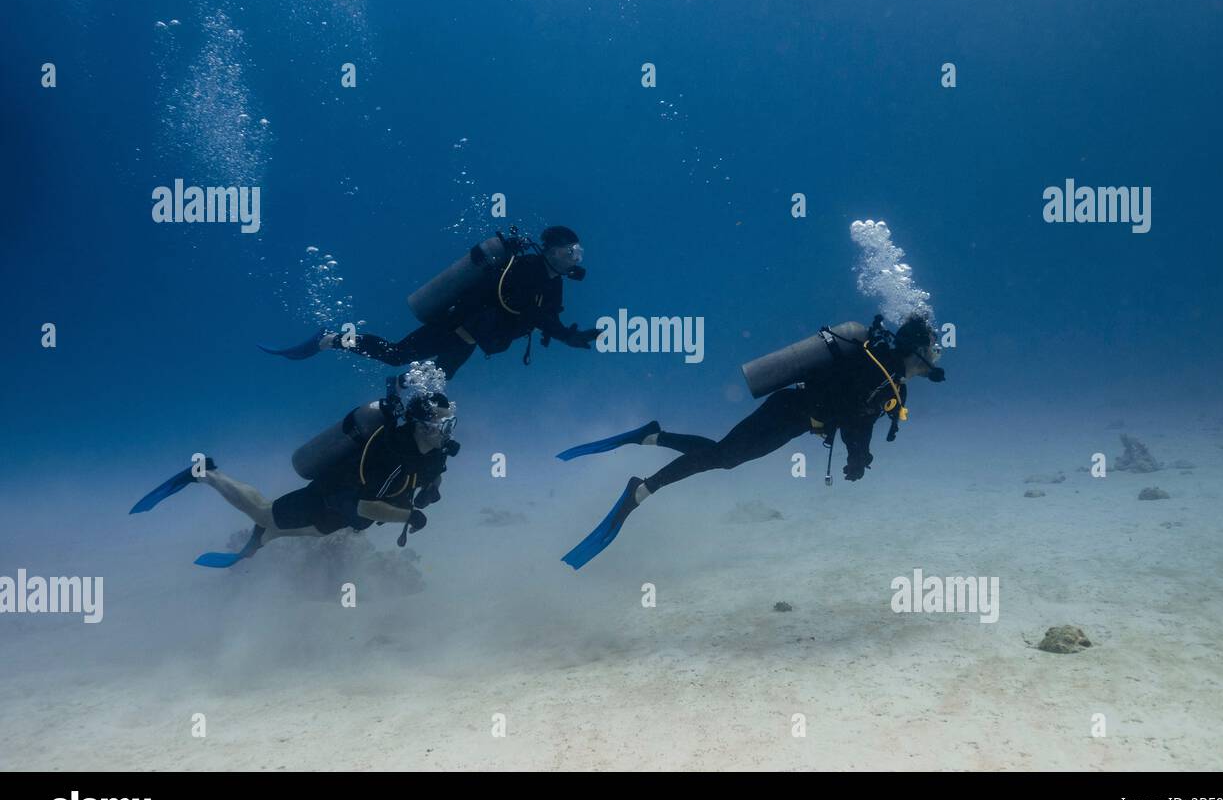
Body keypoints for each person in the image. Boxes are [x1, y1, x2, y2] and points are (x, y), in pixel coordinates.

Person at [556, 314, 946, 569]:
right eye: (932, 347)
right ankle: (641, 488)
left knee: (722, 454)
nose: (936, 354)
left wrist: (858, 453)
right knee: (723, 457)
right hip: (790, 415)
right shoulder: (882, 374)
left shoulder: (886, 371)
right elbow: (855, 418)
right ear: (916, 351)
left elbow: (857, 417)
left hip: (792, 412)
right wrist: (858, 456)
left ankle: (650, 436)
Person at [129, 376, 460, 568]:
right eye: (444, 424)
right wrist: (409, 517)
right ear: (422, 425)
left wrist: (433, 487)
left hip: (342, 511)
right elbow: (366, 506)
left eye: (450, 422)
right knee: (263, 511)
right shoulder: (394, 455)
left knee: (318, 532)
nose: (449, 430)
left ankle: (264, 536)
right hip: (332, 495)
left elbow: (434, 469)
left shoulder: (435, 449)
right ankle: (205, 473)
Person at [261, 226, 599, 379]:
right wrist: (565, 335)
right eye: (570, 252)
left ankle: (396, 404)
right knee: (397, 356)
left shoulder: (554, 284)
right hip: (453, 327)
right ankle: (332, 338)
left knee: (432, 384)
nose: (575, 259)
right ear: (552, 251)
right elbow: (534, 313)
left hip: (470, 340)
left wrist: (569, 335)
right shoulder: (526, 269)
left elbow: (545, 316)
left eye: (578, 253)